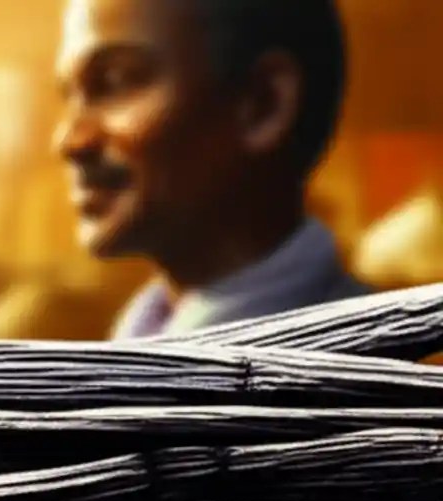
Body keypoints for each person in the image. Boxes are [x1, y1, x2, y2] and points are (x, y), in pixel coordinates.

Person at [53, 0, 367, 339]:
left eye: (116, 82)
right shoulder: (136, 339)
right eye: (68, 94)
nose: (70, 141)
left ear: (263, 104)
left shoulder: (386, 376)